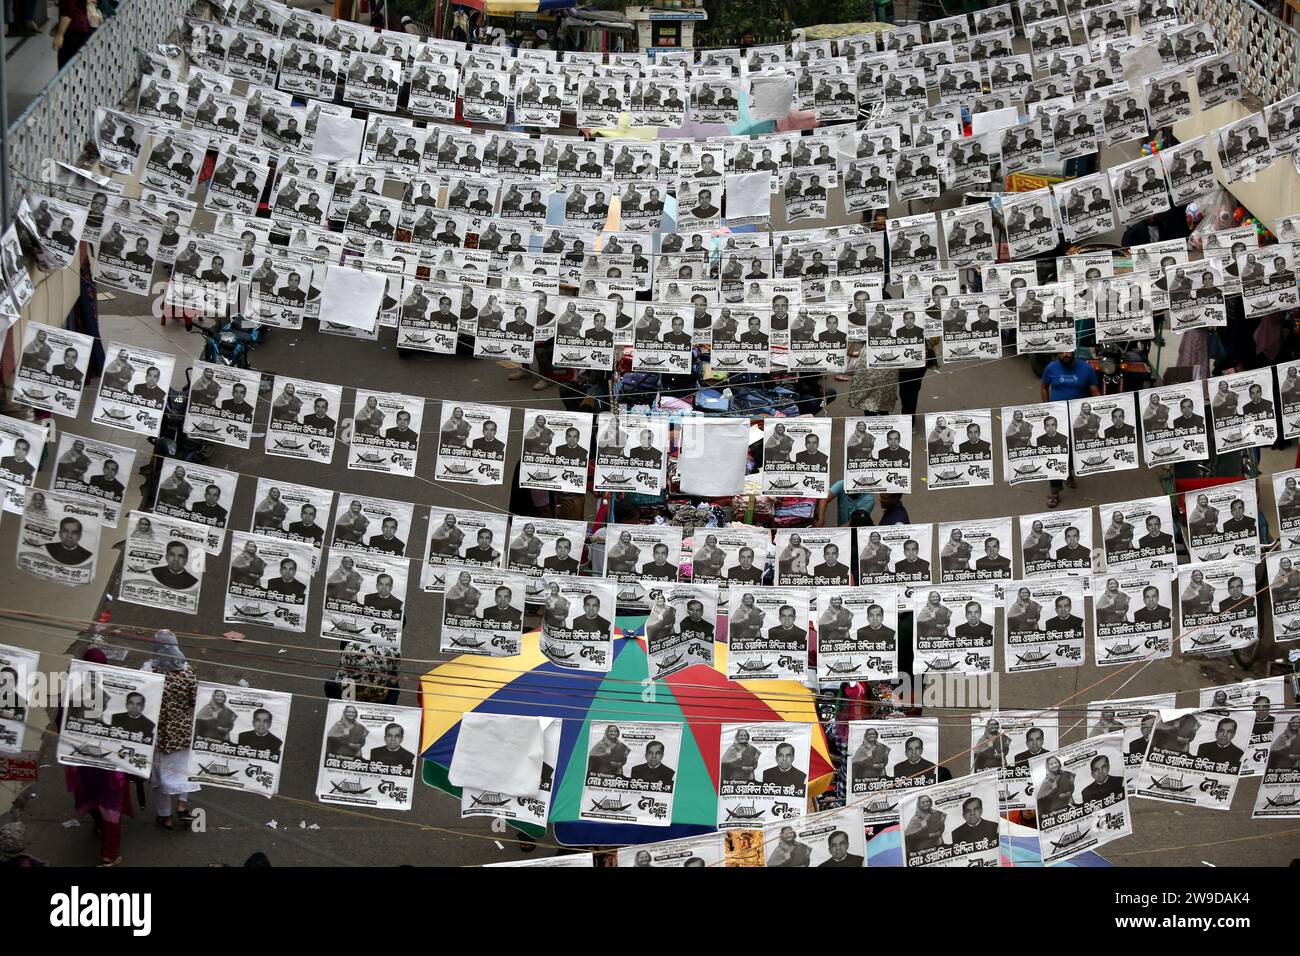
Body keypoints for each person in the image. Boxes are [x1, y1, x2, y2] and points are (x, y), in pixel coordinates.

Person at [62, 648, 134, 865]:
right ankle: (109, 854)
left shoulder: (71, 691)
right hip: (108, 763)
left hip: (81, 761)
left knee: (89, 795)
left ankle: (100, 826)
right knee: (111, 805)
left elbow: (61, 723)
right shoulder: (116, 694)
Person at [146, 630, 201, 831]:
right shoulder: (187, 671)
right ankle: (181, 806)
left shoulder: (149, 672)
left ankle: (165, 817)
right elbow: (194, 700)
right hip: (183, 733)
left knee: (161, 777)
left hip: (159, 735)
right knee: (183, 771)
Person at [1040, 351, 1099, 507]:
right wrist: (1047, 408)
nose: (1065, 354)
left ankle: (1069, 472)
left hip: (1079, 421)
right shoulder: (1051, 368)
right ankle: (1054, 492)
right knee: (1055, 452)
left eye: (1068, 350)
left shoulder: (1086, 369)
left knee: (1073, 450)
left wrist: (1102, 408)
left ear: (1074, 350)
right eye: (1062, 351)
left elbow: (1095, 391)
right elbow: (1044, 387)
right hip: (1057, 420)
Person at [53, 0, 98, 69]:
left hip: (73, 31)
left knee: (66, 67)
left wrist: (60, 35)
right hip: (82, 28)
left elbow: (68, 12)